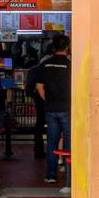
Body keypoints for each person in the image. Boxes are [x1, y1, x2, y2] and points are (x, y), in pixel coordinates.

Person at [35, 33, 71, 186]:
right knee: (69, 142)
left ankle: (51, 175)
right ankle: (70, 175)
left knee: (52, 142)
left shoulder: (45, 64)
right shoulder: (70, 65)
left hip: (50, 108)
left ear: (53, 47)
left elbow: (39, 86)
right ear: (67, 48)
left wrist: (47, 99)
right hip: (67, 108)